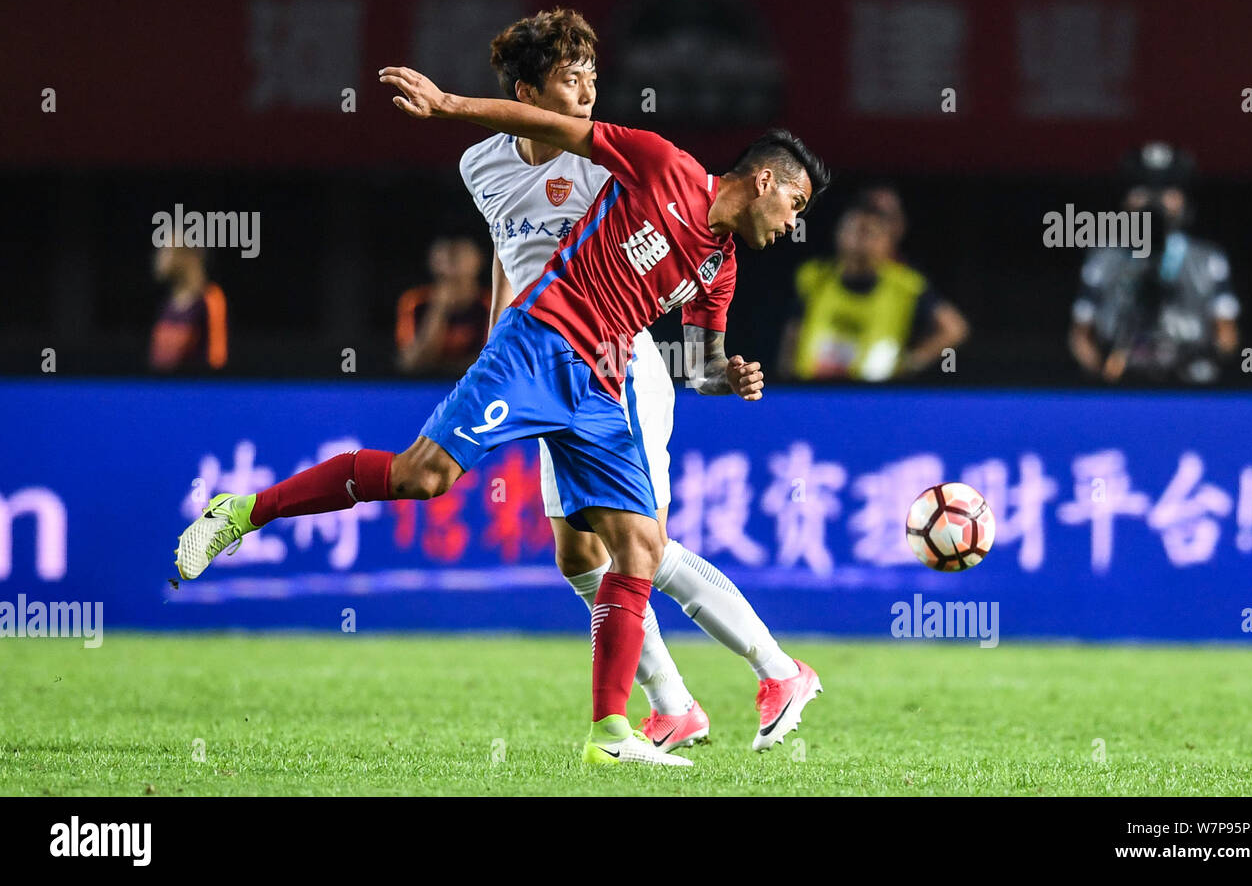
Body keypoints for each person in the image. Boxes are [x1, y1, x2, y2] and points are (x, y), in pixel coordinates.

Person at [174, 60, 830, 768]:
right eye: (795, 204)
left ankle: (613, 735)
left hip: (604, 384)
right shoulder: (663, 163)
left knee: (637, 548)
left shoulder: (720, 268)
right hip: (541, 342)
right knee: (422, 478)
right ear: (765, 180)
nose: (793, 223)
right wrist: (448, 103)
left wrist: (725, 380)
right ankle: (242, 513)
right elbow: (552, 126)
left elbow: (699, 366)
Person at [460, 7, 814, 755]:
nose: (587, 93)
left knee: (639, 544)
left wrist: (712, 371)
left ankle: (776, 669)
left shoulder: (605, 161)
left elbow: (678, 273)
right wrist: (496, 345)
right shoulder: (481, 166)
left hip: (613, 361)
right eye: (569, 78)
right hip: (539, 361)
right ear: (528, 89)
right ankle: (675, 703)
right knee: (579, 554)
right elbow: (509, 255)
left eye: (593, 77)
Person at [1069, 142, 1239, 384]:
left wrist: (1205, 361)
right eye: (1144, 189)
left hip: (1189, 384)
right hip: (1123, 384)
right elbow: (1080, 334)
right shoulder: (1103, 259)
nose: (1155, 200)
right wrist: (1101, 373)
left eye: (1167, 189)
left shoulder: (1208, 259)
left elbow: (1227, 334)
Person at [780, 196, 968, 380]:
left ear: (888, 241)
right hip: (813, 392)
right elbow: (793, 333)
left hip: (874, 397)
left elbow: (954, 328)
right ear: (839, 233)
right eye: (853, 230)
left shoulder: (906, 286)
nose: (859, 240)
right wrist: (788, 381)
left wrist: (910, 363)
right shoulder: (813, 277)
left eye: (869, 233)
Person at [395, 236, 490, 376]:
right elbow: (411, 362)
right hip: (425, 388)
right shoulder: (415, 302)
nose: (452, 264)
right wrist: (439, 308)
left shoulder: (491, 303)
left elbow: (493, 363)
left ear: (479, 259)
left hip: (477, 388)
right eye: (446, 255)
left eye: (458, 255)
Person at [149, 239, 227, 372]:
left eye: (167, 250)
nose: (160, 257)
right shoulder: (166, 303)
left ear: (186, 255)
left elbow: (218, 360)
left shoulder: (211, 300)